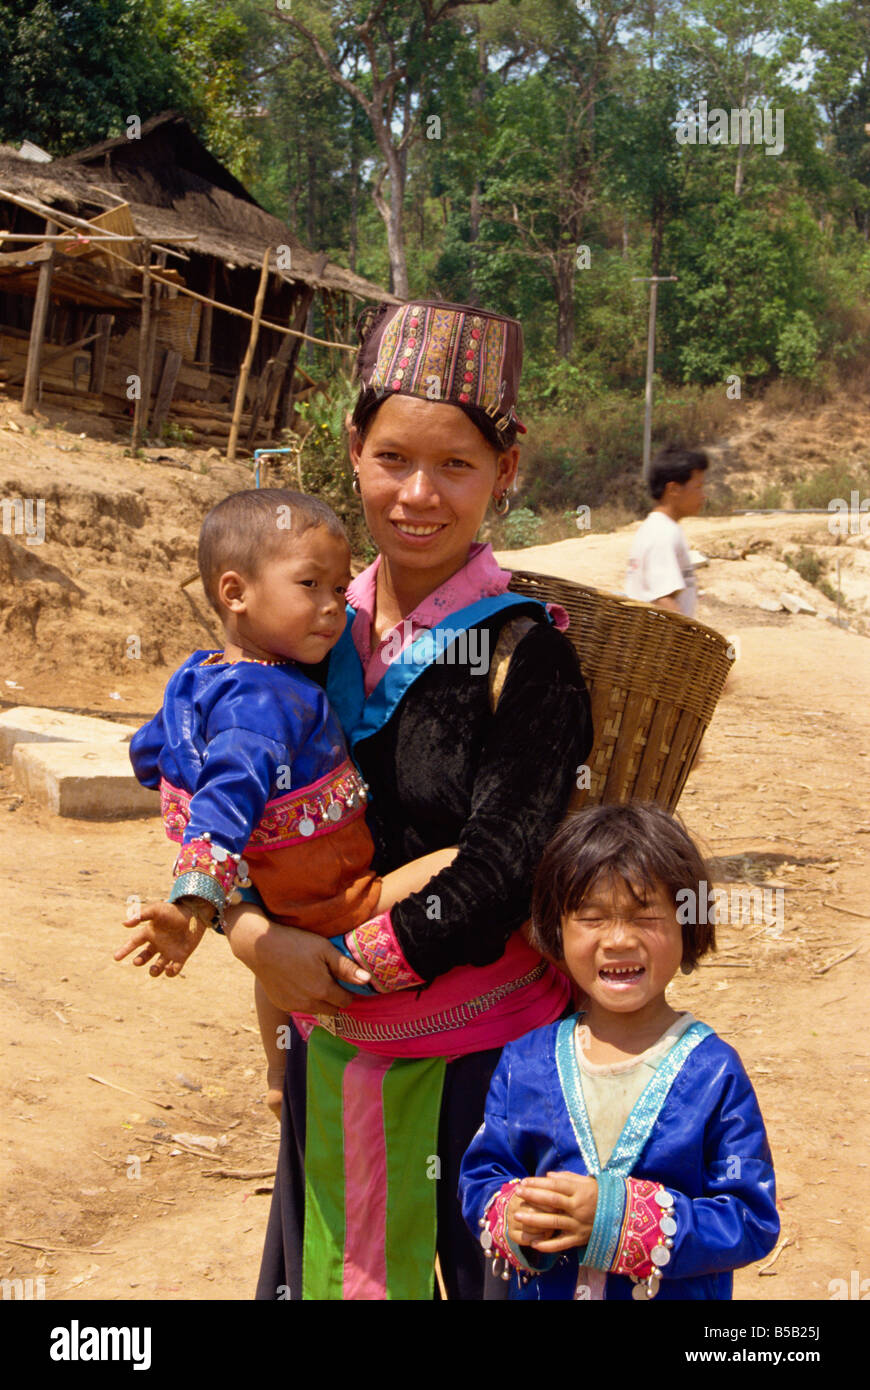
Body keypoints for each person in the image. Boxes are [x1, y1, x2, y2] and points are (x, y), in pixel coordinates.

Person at [219, 299, 594, 1300]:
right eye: (393, 458)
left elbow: (504, 867)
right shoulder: (301, 629)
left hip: (490, 1066)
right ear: (353, 447)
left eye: (457, 466)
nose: (418, 494)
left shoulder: (527, 654)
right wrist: (255, 940)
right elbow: (227, 817)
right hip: (338, 1060)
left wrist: (340, 957)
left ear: (505, 470)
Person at [114, 488, 455, 1115]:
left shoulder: (199, 673)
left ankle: (279, 1075)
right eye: (310, 585)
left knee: (268, 969)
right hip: (338, 893)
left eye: (340, 589)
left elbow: (149, 749)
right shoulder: (264, 701)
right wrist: (192, 908)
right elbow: (227, 800)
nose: (333, 608)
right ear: (235, 592)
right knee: (459, 857)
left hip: (267, 896)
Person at [459, 802, 779, 1300]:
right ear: (555, 930)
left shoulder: (713, 1073)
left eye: (645, 914)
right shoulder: (526, 1063)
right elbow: (484, 1175)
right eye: (591, 917)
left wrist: (617, 1218)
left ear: (688, 924)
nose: (618, 939)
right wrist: (517, 1215)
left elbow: (750, 1216)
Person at [624, 443, 708, 616]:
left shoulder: (656, 527)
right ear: (674, 489)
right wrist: (688, 639)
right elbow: (663, 599)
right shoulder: (663, 532)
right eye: (698, 487)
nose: (703, 495)